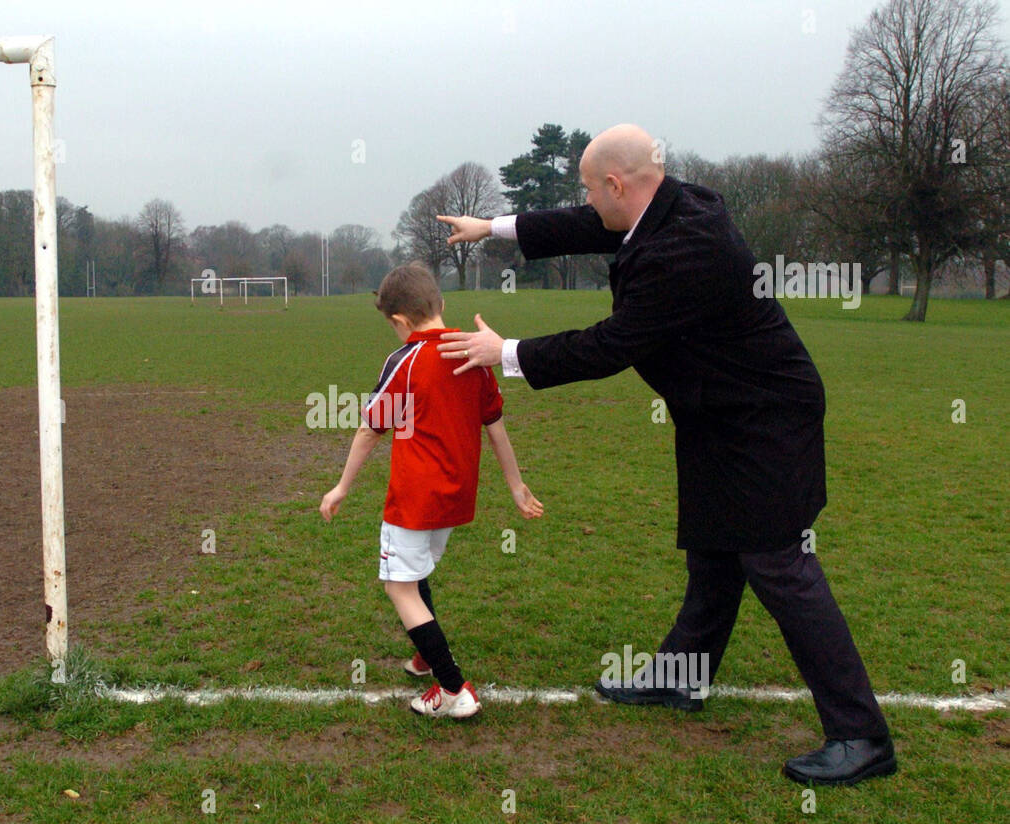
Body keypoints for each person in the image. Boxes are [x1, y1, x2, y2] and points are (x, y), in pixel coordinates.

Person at [434, 124, 896, 784]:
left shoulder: (684, 249)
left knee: (777, 563)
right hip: (717, 412)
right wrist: (494, 228)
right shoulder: (670, 205)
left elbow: (613, 346)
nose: (589, 203)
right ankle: (682, 679)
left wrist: (504, 354)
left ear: (619, 184)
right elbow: (592, 226)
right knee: (714, 546)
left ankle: (862, 736)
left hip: (763, 418)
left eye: (593, 190)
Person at [319, 263, 543, 719]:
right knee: (415, 573)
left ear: (399, 322)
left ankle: (454, 688)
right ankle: (424, 656)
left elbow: (370, 430)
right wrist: (516, 486)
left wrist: (341, 486)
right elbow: (496, 428)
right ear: (440, 304)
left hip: (414, 498)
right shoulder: (475, 355)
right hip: (455, 498)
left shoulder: (407, 360)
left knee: (397, 586)